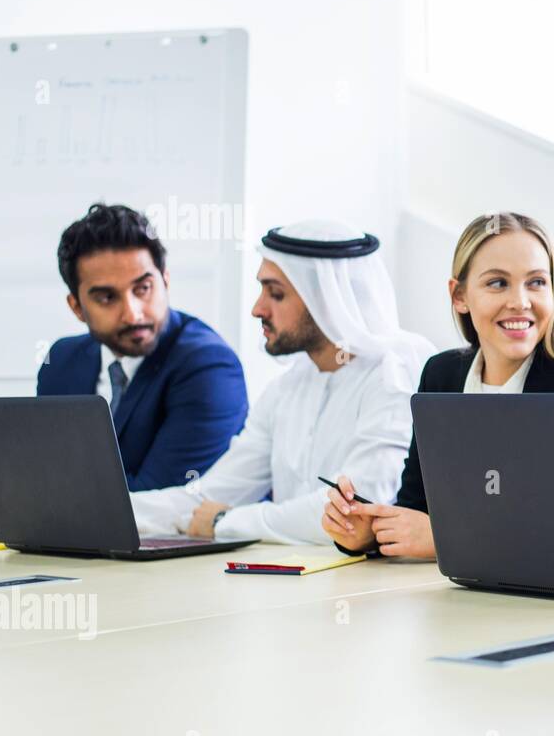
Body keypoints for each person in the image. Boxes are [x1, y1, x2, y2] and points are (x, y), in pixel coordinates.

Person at [323, 211, 554, 558]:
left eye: (537, 282)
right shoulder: (441, 375)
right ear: (459, 296)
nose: (520, 301)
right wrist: (366, 534)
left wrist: (449, 541)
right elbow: (417, 507)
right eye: (498, 283)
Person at [131, 221, 432, 544]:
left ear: (326, 299)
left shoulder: (394, 373)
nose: (257, 309)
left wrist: (224, 520)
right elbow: (207, 497)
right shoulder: (286, 388)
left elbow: (356, 512)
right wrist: (105, 509)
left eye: (276, 294)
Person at [37, 203, 247, 491]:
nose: (133, 313)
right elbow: (43, 477)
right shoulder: (60, 361)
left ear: (165, 281)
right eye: (107, 298)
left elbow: (158, 498)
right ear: (77, 307)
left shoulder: (209, 366)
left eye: (143, 289)